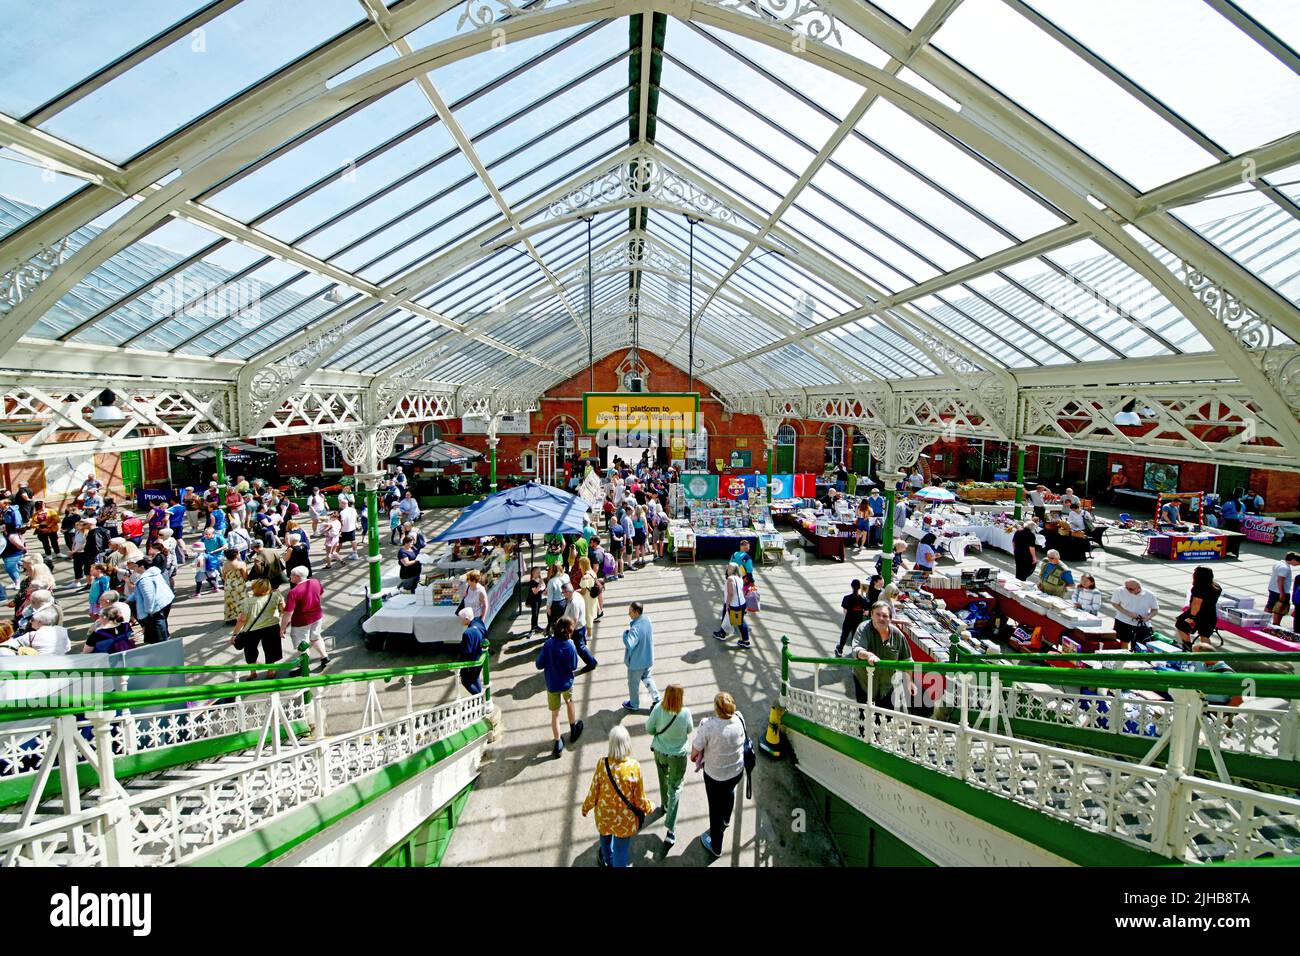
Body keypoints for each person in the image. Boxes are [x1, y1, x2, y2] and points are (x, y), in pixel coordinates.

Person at [581, 725, 653, 867]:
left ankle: (607, 860)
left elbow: (593, 791)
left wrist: (586, 807)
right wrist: (649, 807)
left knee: (605, 840)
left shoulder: (602, 764)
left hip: (604, 816)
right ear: (627, 743)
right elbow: (639, 799)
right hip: (624, 821)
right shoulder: (634, 767)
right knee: (621, 850)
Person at [690, 691, 747, 859]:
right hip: (736, 771)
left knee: (714, 809)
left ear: (717, 709)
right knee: (730, 792)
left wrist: (697, 757)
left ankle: (716, 846)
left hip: (715, 776)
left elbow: (694, 753)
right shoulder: (739, 718)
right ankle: (727, 819)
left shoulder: (708, 725)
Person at [646, 684, 693, 849]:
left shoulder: (658, 708)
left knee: (663, 779)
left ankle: (665, 804)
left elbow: (649, 729)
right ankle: (671, 829)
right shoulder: (685, 712)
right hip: (677, 757)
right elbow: (689, 730)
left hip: (660, 752)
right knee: (676, 786)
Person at [850, 601, 913, 710]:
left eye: (885, 616)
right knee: (864, 714)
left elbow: (908, 660)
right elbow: (857, 649)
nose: (881, 618)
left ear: (890, 619)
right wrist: (868, 655)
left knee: (885, 716)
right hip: (864, 681)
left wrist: (909, 682)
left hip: (887, 684)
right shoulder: (864, 628)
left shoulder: (897, 635)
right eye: (878, 615)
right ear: (871, 615)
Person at [537, 617, 583, 757]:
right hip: (566, 683)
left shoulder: (548, 644)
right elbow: (574, 666)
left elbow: (539, 664)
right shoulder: (570, 646)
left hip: (552, 683)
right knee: (569, 703)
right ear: (569, 631)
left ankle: (558, 743)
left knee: (555, 714)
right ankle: (573, 728)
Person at [231, 577, 287, 679]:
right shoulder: (276, 595)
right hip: (272, 627)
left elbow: (242, 619)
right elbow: (284, 610)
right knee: (271, 649)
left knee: (250, 650)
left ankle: (253, 672)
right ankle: (271, 671)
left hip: (252, 630)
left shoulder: (248, 601)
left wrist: (235, 634)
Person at [280, 566, 329, 671]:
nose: (289, 576)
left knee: (303, 643)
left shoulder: (294, 592)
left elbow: (288, 613)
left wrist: (282, 628)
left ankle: (304, 666)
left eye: (291, 575)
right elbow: (321, 594)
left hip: (301, 621)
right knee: (316, 637)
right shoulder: (315, 582)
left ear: (297, 577)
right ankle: (324, 657)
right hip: (317, 616)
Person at [125, 557, 174, 644]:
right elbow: (138, 591)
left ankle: (163, 642)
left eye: (136, 567)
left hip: (156, 605)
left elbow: (149, 596)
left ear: (142, 567)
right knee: (162, 620)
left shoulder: (144, 580)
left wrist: (149, 610)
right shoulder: (155, 573)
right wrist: (128, 600)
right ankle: (166, 637)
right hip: (166, 600)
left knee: (158, 622)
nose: (134, 569)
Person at [622, 600, 659, 711]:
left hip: (636, 663)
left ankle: (634, 704)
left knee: (633, 684)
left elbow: (629, 643)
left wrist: (625, 634)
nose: (629, 613)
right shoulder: (647, 620)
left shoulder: (635, 629)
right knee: (647, 678)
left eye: (630, 611)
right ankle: (657, 699)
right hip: (647, 659)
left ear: (637, 612)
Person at [1176, 565, 1222, 650]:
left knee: (1180, 625)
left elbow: (1196, 605)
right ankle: (1210, 658)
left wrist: (1191, 617)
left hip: (1198, 615)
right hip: (1210, 614)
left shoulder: (1199, 588)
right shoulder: (1216, 587)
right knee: (1204, 636)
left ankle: (1188, 648)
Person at [1111, 578, 1159, 648]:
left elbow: (1155, 609)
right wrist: (1128, 613)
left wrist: (1148, 617)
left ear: (1139, 588)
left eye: (1131, 589)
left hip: (1142, 624)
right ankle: (1123, 657)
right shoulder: (1119, 590)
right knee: (1124, 642)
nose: (1128, 590)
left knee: (1141, 644)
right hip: (1123, 621)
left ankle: (1137, 656)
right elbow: (1115, 603)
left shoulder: (1150, 595)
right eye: (1126, 587)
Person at [562, 578, 597, 672]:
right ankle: (591, 661)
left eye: (563, 593)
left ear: (568, 592)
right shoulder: (576, 594)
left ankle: (591, 663)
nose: (563, 595)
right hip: (581, 626)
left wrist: (569, 631)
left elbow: (574, 619)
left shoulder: (574, 603)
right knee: (581, 646)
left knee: (580, 648)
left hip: (577, 629)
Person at [713, 562, 751, 649]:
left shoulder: (730, 579)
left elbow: (730, 593)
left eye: (729, 568)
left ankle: (745, 641)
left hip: (734, 605)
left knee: (738, 622)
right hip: (742, 603)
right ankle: (723, 633)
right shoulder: (740, 577)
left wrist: (727, 605)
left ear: (734, 570)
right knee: (735, 620)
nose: (727, 569)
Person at [457, 607, 486, 695]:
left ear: (466, 619)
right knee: (475, 677)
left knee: (465, 681)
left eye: (460, 619)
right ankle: (481, 695)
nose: (459, 621)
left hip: (473, 663)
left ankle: (480, 697)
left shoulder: (467, 633)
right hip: (481, 657)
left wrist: (459, 664)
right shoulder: (479, 622)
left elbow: (466, 652)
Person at [836, 579, 867, 658]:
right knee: (855, 636)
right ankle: (855, 652)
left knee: (844, 635)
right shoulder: (863, 599)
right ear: (860, 587)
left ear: (852, 586)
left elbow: (845, 611)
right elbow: (866, 612)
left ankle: (840, 650)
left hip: (849, 620)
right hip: (858, 621)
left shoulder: (847, 598)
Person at [1267, 553, 1300, 626]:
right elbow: (1280, 580)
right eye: (1298, 562)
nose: (1298, 564)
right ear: (1293, 560)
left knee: (1270, 606)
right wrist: (1282, 593)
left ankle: (1264, 620)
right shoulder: (1285, 568)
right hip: (1281, 591)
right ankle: (1276, 623)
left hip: (1272, 588)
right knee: (1280, 609)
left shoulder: (1278, 563)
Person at [221, 548, 247, 624]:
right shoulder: (241, 564)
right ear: (236, 555)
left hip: (228, 584)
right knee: (241, 601)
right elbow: (245, 576)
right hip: (239, 584)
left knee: (230, 601)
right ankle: (242, 617)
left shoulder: (225, 564)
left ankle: (231, 618)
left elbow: (223, 576)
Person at [525, 566, 545, 633]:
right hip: (534, 600)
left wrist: (542, 584)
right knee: (534, 613)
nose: (539, 574)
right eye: (537, 572)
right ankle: (533, 627)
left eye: (539, 572)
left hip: (538, 598)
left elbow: (544, 586)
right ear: (533, 573)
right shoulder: (532, 582)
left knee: (537, 613)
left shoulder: (539, 579)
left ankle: (536, 625)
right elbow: (535, 591)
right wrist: (540, 585)